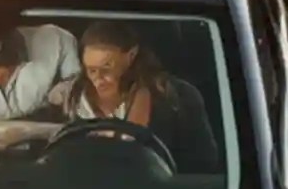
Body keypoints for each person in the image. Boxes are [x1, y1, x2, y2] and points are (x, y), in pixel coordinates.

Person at [55, 20, 219, 173]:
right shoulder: (69, 98)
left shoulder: (177, 98)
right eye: (91, 70)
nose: (98, 78)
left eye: (107, 68)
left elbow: (202, 168)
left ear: (131, 55)